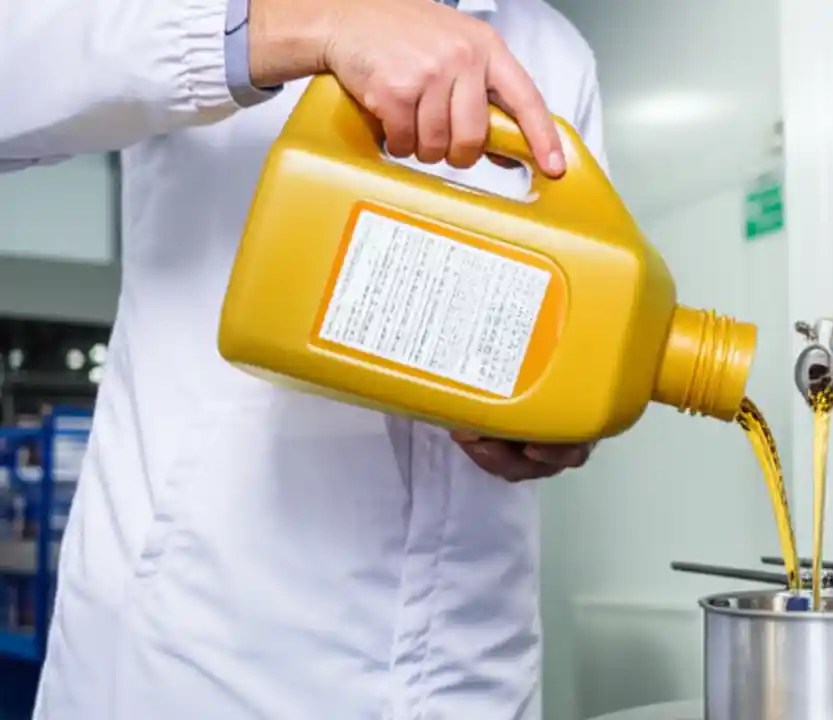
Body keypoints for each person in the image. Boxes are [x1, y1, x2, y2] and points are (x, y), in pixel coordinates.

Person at [0, 0, 606, 716]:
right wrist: (311, 28)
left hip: (472, 673)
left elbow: (582, 304)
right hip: (199, 663)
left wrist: (552, 424)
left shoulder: (557, 52)